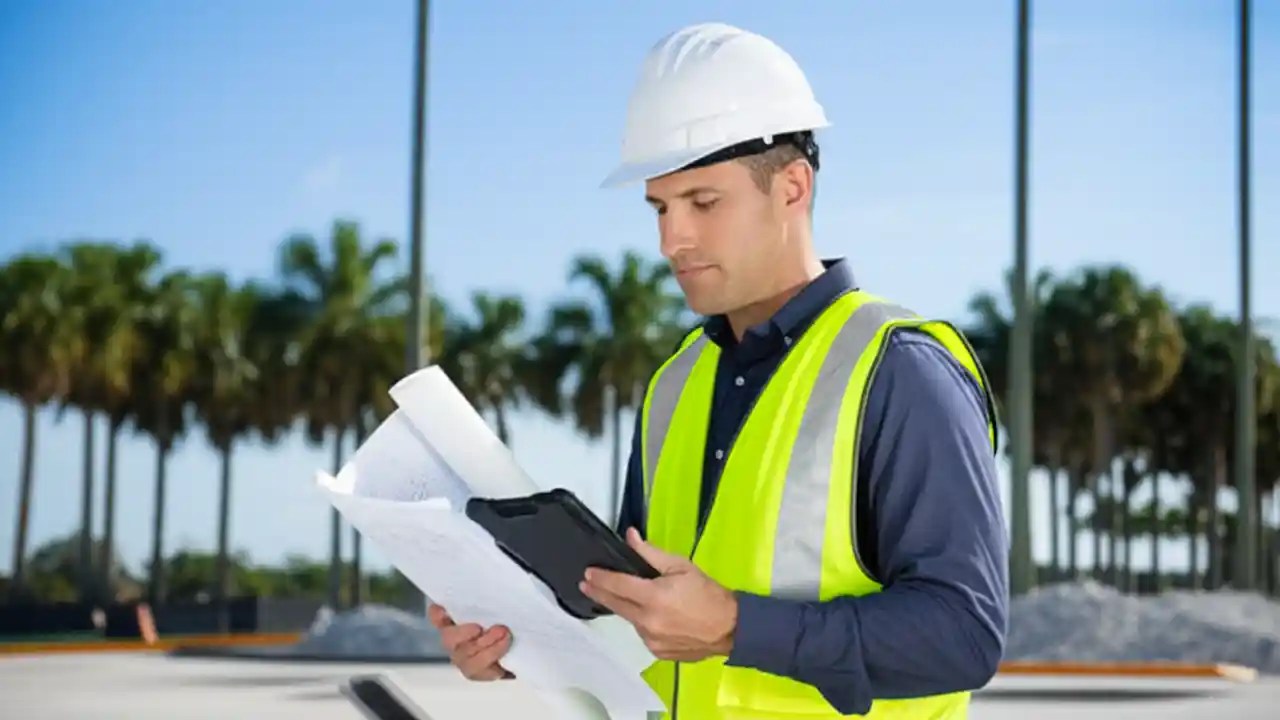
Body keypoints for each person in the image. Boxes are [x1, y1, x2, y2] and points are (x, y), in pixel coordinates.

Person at [428, 21, 1008, 719]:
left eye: (704, 203)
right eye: (660, 207)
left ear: (792, 188)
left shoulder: (901, 372)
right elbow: (641, 621)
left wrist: (738, 626)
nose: (672, 240)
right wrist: (518, 644)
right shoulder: (675, 383)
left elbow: (965, 636)